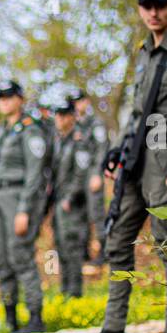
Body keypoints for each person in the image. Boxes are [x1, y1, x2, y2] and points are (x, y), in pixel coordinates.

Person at [71, 0, 167, 333]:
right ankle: (113, 332)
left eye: (160, 5)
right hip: (135, 163)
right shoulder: (142, 53)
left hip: (165, 164)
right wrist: (117, 148)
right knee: (118, 242)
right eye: (147, 5)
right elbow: (137, 113)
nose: (153, 12)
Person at [0, 79, 50, 333]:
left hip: (18, 196)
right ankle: (11, 319)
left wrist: (24, 209)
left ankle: (35, 318)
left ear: (20, 99)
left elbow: (35, 174)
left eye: (9, 97)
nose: (4, 101)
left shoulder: (30, 129)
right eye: (0, 97)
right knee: (0, 259)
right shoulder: (2, 129)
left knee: (20, 255)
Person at [50, 96, 93, 298]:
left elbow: (81, 173)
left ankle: (75, 293)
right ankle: (65, 290)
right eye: (57, 114)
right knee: (61, 247)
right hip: (58, 202)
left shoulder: (79, 141)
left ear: (71, 117)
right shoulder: (59, 141)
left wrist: (69, 198)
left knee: (73, 248)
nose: (59, 118)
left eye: (63, 114)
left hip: (73, 205)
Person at [71, 88, 110, 263]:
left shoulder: (95, 123)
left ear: (86, 102)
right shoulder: (72, 124)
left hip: (92, 174)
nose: (77, 105)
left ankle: (105, 251)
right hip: (78, 177)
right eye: (74, 102)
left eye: (79, 101)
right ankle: (83, 251)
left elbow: (102, 149)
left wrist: (97, 174)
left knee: (97, 214)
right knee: (80, 214)